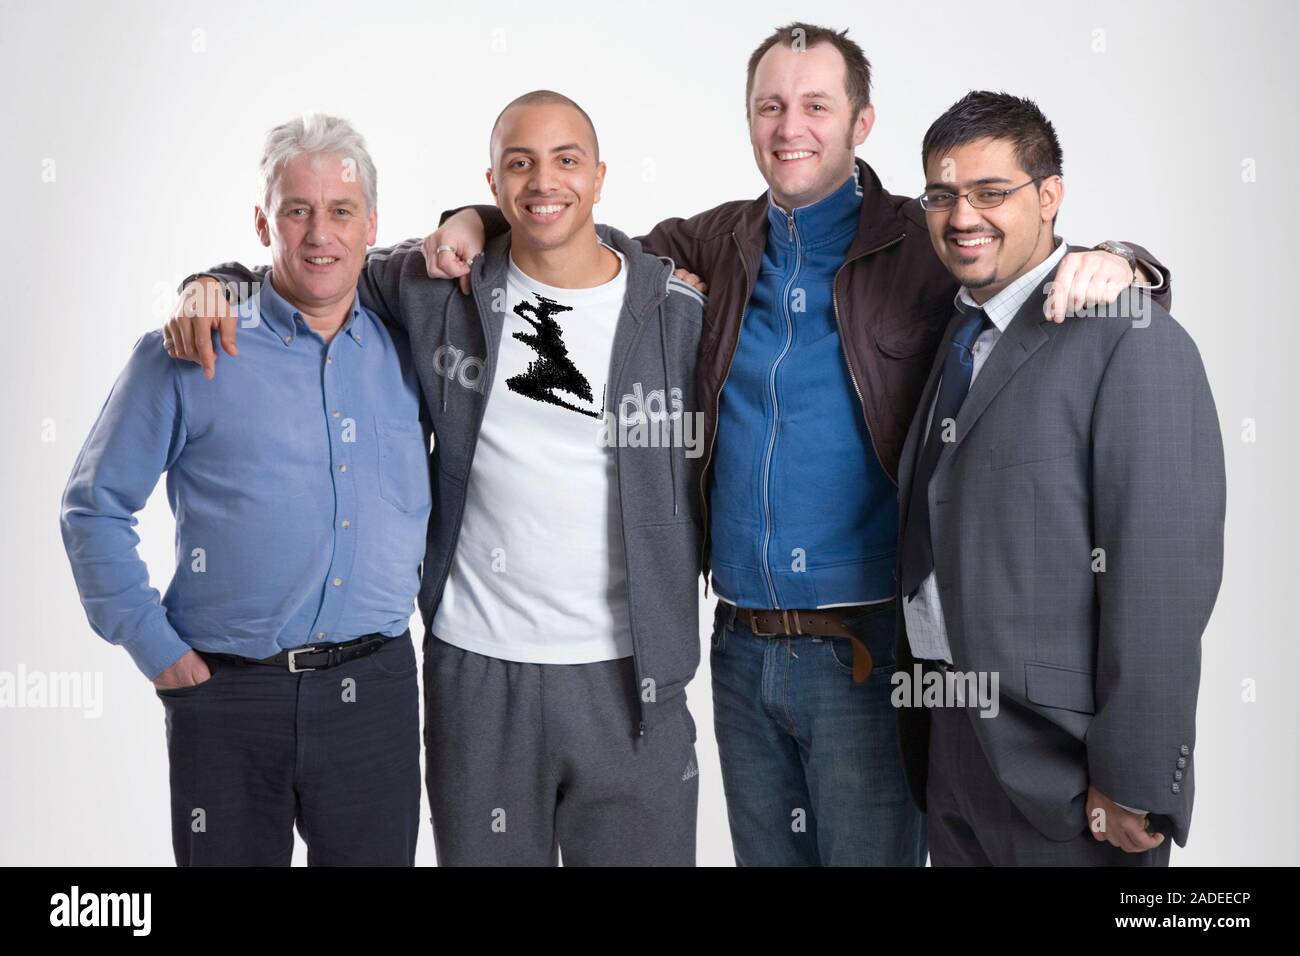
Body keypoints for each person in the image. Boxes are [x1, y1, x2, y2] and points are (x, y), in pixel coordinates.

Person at [424, 22, 1172, 866]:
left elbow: (1023, 263)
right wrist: (479, 216)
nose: (790, 127)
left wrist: (1127, 260)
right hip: (739, 650)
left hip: (866, 652)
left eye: (817, 105)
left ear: (862, 123)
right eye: (770, 106)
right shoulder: (709, 244)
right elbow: (567, 238)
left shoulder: (923, 239)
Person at [163, 92, 707, 866]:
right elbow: (310, 268)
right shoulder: (434, 287)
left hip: (632, 680)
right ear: (491, 181)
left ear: (600, 176)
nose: (543, 181)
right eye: (519, 164)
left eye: (565, 160)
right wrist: (208, 283)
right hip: (475, 671)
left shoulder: (674, 308)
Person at [61, 114, 427, 866]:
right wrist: (157, 649)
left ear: (372, 226)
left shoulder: (410, 343)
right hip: (227, 698)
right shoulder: (192, 350)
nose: (319, 234)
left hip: (377, 694)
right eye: (297, 211)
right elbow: (93, 508)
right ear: (264, 222)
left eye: (340, 212)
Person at [895, 90, 1225, 865]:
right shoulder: (954, 334)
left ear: (1050, 197)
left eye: (990, 192)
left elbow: (1163, 575)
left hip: (1073, 779)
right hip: (954, 750)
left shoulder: (1130, 338)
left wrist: (1137, 778)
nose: (962, 216)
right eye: (942, 196)